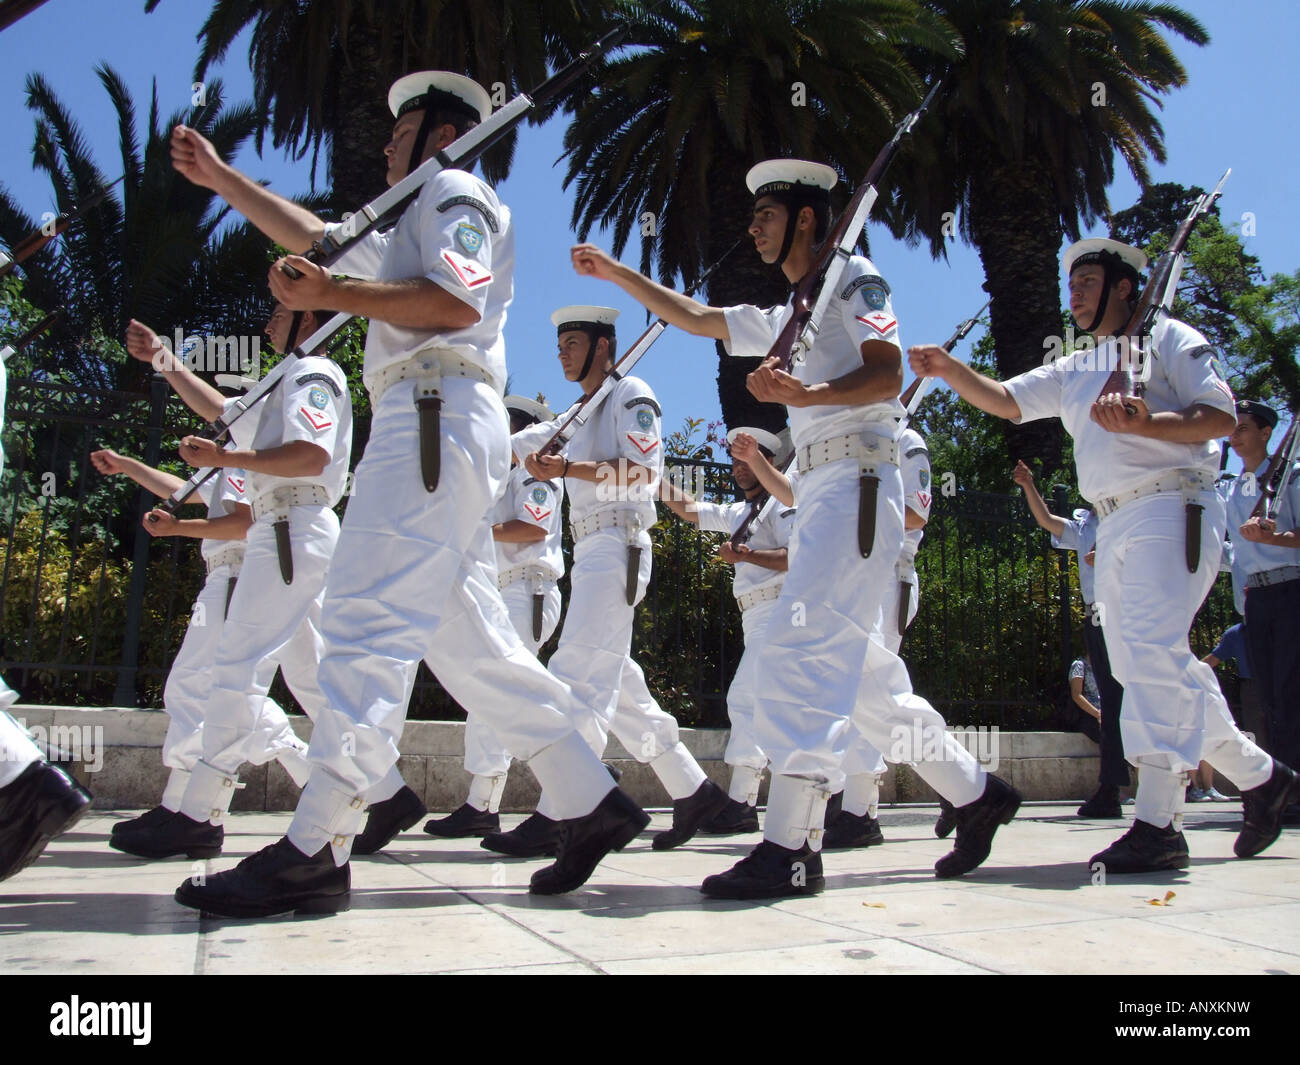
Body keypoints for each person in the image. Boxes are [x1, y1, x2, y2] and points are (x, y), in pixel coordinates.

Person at [166, 72, 643, 916]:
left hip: (430, 411)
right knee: (470, 645)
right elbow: (319, 236)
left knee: (364, 616)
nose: (386, 146)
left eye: (400, 132)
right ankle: (588, 795)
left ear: (441, 136)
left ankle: (319, 841)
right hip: (429, 417)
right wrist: (224, 181)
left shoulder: (455, 190)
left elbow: (452, 302)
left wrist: (331, 295)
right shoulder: (404, 218)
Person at [572, 159, 1019, 899]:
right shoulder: (789, 318)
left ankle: (793, 844)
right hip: (823, 491)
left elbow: (885, 371)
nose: (752, 228)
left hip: (862, 479)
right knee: (867, 678)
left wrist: (804, 391)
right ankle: (975, 791)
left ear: (808, 220)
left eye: (766, 215)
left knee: (802, 652)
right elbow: (695, 317)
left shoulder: (858, 281)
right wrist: (620, 273)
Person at [909, 237, 1300, 873]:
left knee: (1148, 652)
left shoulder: (1170, 339)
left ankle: (1159, 821)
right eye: (1073, 284)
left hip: (1173, 505)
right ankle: (1262, 778)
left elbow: (1220, 416)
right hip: (1113, 522)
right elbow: (1007, 399)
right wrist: (951, 371)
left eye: (1088, 281)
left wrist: (1148, 424)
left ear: (1125, 287)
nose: (1076, 293)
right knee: (1153, 662)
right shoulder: (1077, 365)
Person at [112, 310, 386, 860]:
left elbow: (311, 455)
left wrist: (224, 457)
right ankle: (376, 793)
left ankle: (199, 814)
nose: (267, 323)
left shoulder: (315, 373)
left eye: (281, 311)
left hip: (290, 527)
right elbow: (218, 409)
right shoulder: (285, 381)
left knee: (237, 670)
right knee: (300, 676)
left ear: (310, 317)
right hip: (280, 528)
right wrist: (163, 360)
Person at [492, 305, 727, 857]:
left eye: (573, 342)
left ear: (604, 347)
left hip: (618, 544)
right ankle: (695, 792)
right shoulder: (580, 412)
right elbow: (522, 447)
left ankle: (564, 810)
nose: (563, 353)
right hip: (593, 547)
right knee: (617, 685)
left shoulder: (631, 393)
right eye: (560, 344)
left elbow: (644, 473)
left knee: (578, 674)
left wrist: (567, 470)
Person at [89, 422, 313, 853]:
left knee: (193, 687)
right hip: (233, 579)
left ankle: (189, 812)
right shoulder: (238, 463)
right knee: (225, 691)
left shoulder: (238, 457)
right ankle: (295, 773)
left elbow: (239, 524)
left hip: (233, 577)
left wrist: (177, 529)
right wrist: (129, 466)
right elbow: (184, 488)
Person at [423, 395, 565, 839]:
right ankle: (485, 802)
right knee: (495, 694)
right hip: (510, 590)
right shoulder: (499, 480)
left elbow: (533, 527)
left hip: (530, 589)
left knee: (500, 694)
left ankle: (487, 804)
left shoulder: (532, 473)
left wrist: (470, 531)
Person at [658, 426, 795, 835]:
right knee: (772, 708)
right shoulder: (740, 513)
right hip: (753, 618)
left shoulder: (784, 506)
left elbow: (793, 557)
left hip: (780, 610)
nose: (738, 469)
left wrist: (747, 554)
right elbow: (690, 510)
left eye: (747, 461)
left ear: (768, 462)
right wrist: (653, 476)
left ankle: (741, 803)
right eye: (735, 462)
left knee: (746, 701)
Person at [1012, 459, 1129, 817]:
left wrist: (1110, 557)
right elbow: (1048, 522)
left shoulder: (1130, 513)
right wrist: (1028, 485)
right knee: (1111, 702)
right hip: (1097, 615)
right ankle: (1111, 789)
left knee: (1131, 699)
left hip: (1127, 612)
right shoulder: (1086, 523)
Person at [1220, 400, 1300, 785]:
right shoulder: (1235, 489)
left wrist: (1277, 537)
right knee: (1268, 697)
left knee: (1290, 692)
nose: (1233, 437)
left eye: (1243, 428)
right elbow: (1233, 550)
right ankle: (1283, 784)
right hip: (1257, 598)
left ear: (1267, 433)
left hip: (1290, 590)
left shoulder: (1292, 478)